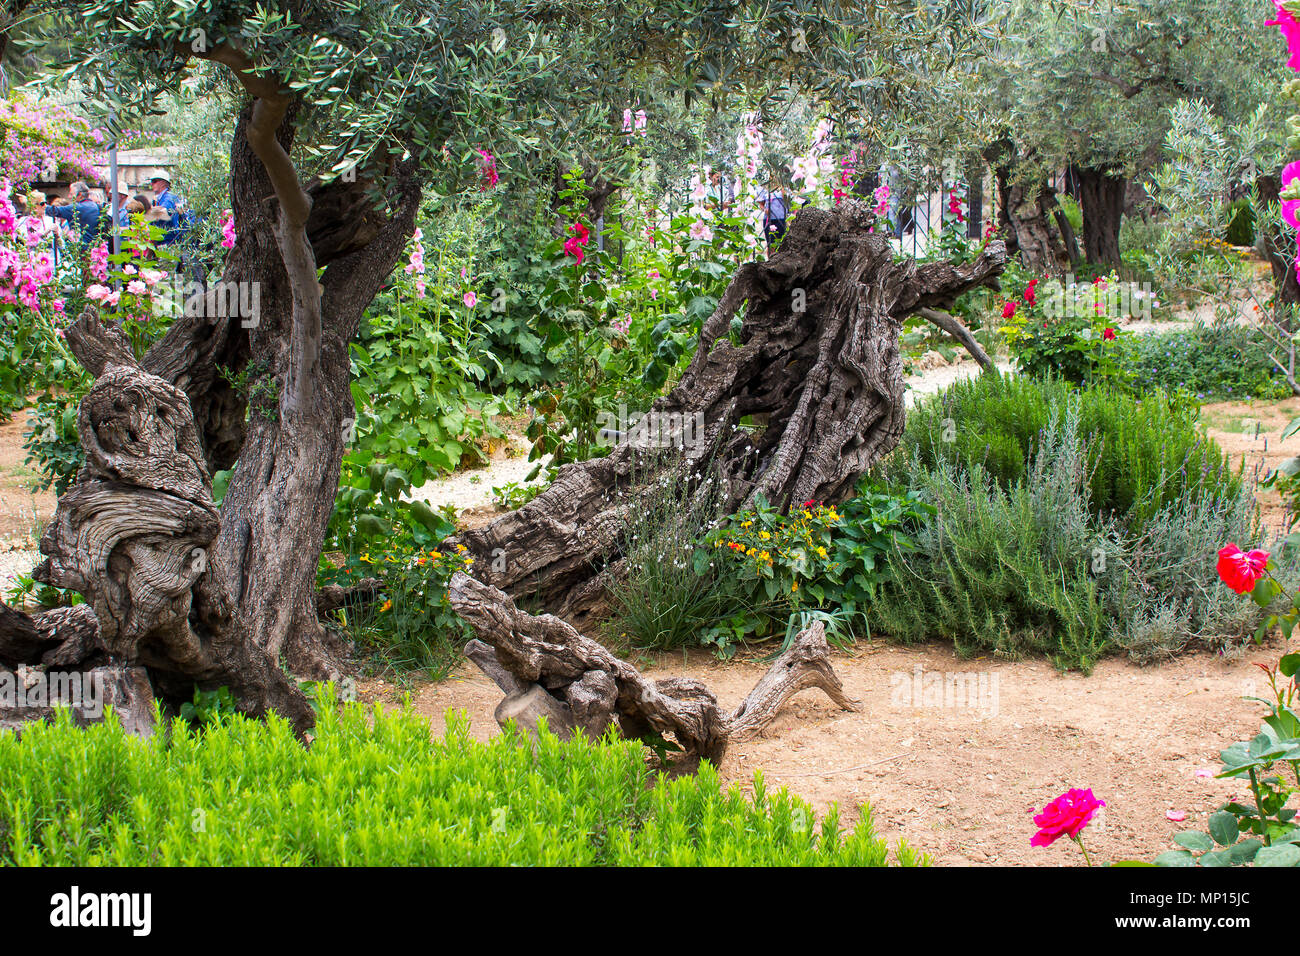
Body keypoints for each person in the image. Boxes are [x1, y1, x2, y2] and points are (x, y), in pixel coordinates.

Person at [44, 181, 103, 247]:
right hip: (94, 246)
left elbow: (55, 211)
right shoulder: (94, 206)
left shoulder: (79, 207)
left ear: (80, 195)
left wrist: (40, 204)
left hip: (83, 248)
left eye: (71, 194)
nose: (69, 197)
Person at [758, 177, 789, 250]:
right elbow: (761, 204)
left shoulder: (784, 188)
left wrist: (783, 189)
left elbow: (788, 201)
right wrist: (765, 210)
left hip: (781, 219)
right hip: (768, 219)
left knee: (781, 243)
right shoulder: (765, 189)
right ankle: (771, 259)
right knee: (770, 244)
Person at [149, 175, 180, 243]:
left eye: (154, 181)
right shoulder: (159, 199)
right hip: (163, 239)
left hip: (170, 241)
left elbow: (162, 212)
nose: (151, 184)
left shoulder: (169, 197)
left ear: (163, 183)